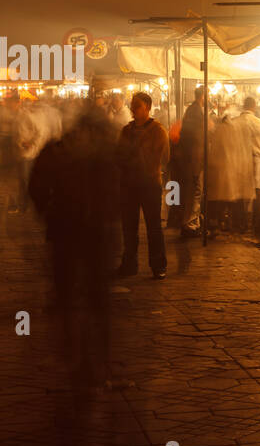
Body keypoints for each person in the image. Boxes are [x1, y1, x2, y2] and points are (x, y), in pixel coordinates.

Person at [29, 108, 119, 393]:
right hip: (95, 233)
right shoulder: (106, 154)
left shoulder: (57, 151)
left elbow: (36, 188)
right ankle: (98, 362)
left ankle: (74, 355)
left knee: (68, 293)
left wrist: (49, 211)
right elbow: (126, 185)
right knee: (97, 298)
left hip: (67, 231)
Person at [115, 92, 170, 279]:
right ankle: (129, 264)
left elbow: (162, 158)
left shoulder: (157, 131)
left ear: (147, 107)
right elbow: (119, 155)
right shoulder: (126, 130)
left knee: (153, 226)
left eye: (136, 105)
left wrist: (138, 158)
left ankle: (158, 265)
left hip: (149, 185)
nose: (133, 109)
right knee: (129, 227)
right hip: (129, 185)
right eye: (132, 105)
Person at [234, 97, 260, 233]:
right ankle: (257, 224)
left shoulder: (235, 123)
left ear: (243, 106)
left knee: (239, 192)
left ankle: (240, 224)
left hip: (238, 160)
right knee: (258, 192)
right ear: (254, 106)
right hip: (257, 160)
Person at [176, 86, 206, 238]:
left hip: (194, 158)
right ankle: (189, 224)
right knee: (194, 191)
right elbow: (195, 138)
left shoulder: (194, 110)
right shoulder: (196, 112)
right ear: (203, 96)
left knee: (195, 191)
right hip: (194, 159)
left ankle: (192, 222)